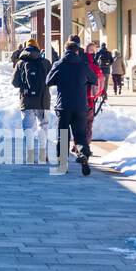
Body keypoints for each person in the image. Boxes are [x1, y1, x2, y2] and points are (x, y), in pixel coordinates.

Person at [46, 39, 97, 175]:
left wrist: (60, 79)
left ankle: (63, 164)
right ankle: (83, 153)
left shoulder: (59, 64)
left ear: (64, 50)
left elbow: (48, 81)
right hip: (80, 106)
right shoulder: (83, 65)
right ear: (76, 51)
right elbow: (94, 79)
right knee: (79, 134)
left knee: (63, 134)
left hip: (64, 106)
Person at [10, 38, 51, 163]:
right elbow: (50, 80)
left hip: (26, 100)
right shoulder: (45, 62)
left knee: (28, 128)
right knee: (43, 126)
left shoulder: (20, 63)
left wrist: (25, 86)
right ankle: (43, 155)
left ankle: (30, 155)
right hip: (42, 100)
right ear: (38, 48)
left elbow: (14, 82)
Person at [84, 42, 105, 145]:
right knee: (88, 124)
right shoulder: (92, 64)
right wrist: (101, 92)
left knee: (66, 127)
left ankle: (63, 154)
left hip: (66, 103)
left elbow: (49, 81)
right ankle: (84, 149)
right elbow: (99, 79)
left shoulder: (61, 64)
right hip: (89, 100)